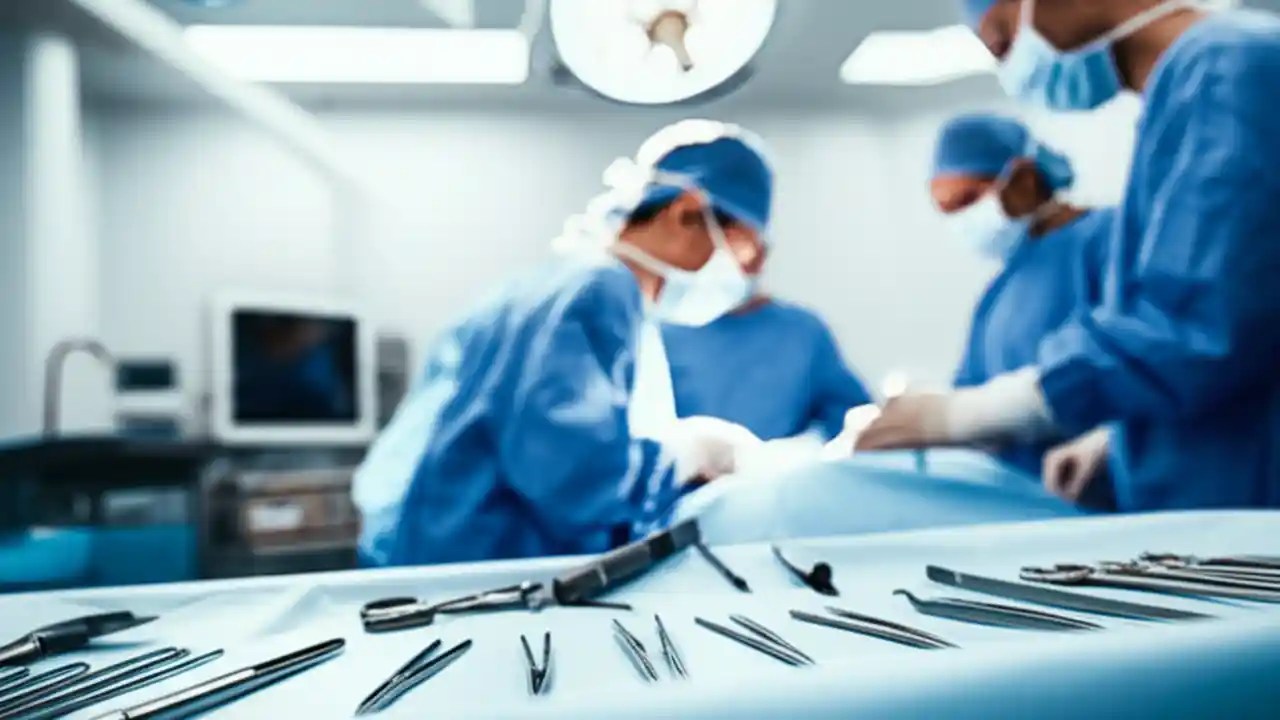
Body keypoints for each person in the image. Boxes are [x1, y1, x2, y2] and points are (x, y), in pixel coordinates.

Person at [850, 0, 1280, 511]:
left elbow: (1197, 327)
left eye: (1003, 41)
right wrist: (1116, 441)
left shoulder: (1227, 69)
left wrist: (973, 413)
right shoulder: (1185, 94)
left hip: (1245, 511)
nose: (1010, 69)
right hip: (1202, 512)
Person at [353, 120, 772, 566]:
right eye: (743, 248)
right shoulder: (598, 291)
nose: (743, 274)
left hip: (453, 562)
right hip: (481, 576)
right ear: (685, 213)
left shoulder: (561, 285)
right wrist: (687, 455)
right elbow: (575, 479)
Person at [933, 113, 1114, 479]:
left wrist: (1108, 439)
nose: (960, 218)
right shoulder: (997, 294)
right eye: (945, 206)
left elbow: (1148, 360)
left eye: (967, 198)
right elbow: (967, 401)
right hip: (1025, 502)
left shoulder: (1110, 240)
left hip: (1106, 490)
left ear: (1025, 179)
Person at [660, 241, 871, 442]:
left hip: (775, 477)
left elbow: (854, 423)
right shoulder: (667, 331)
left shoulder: (802, 332)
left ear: (762, 255)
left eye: (747, 249)